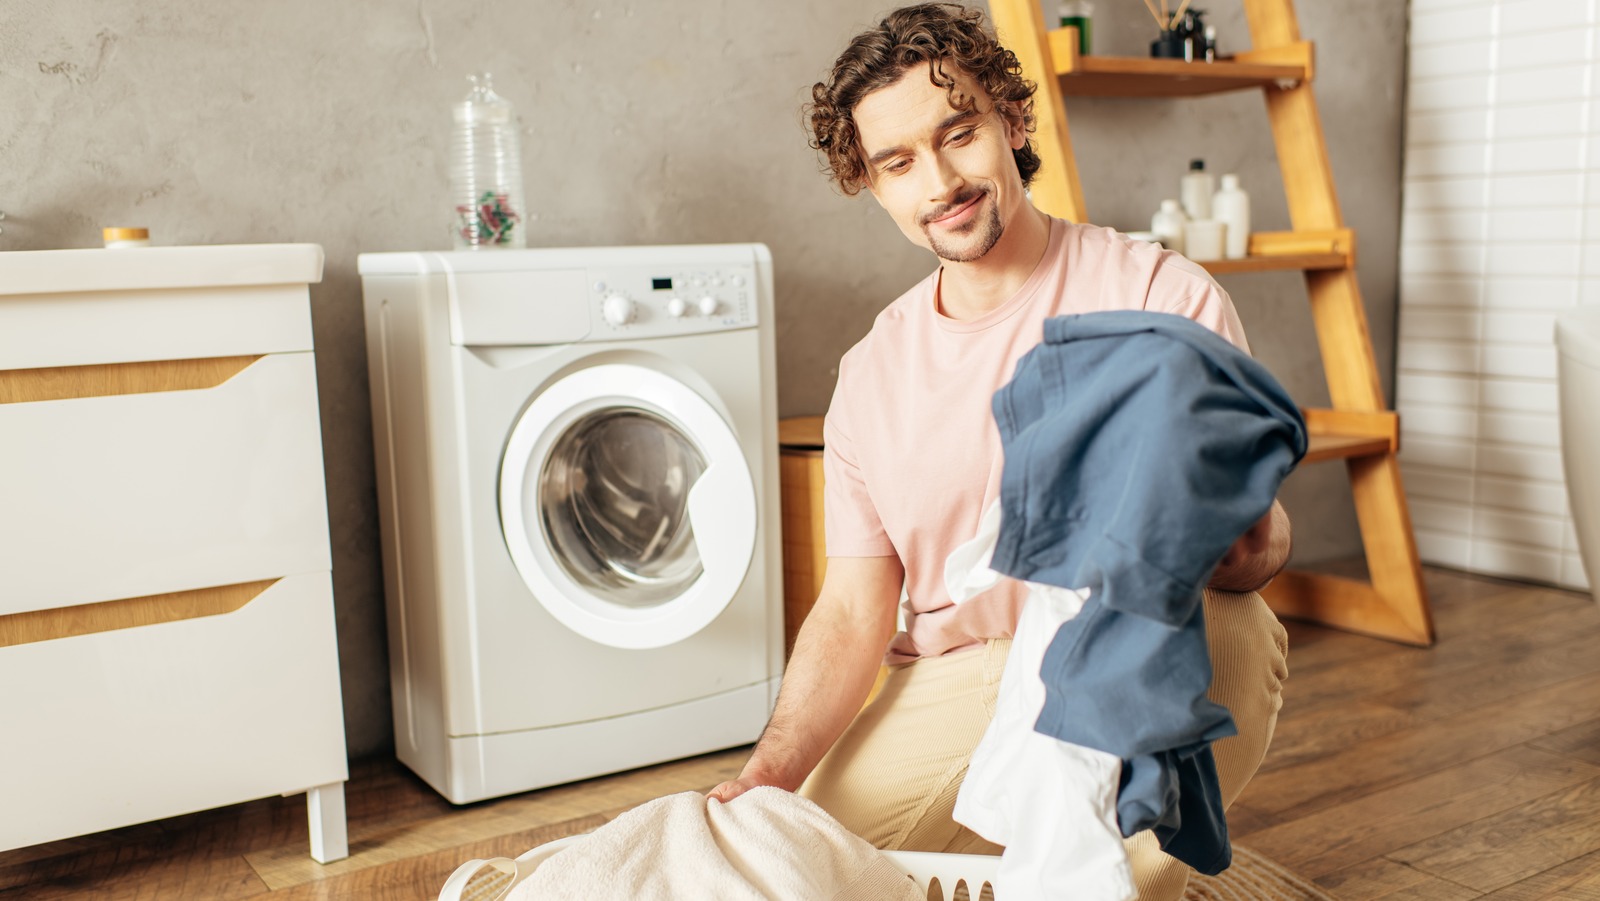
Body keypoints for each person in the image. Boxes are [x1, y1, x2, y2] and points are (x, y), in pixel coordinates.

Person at [709, 4, 1291, 898]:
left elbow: (1255, 550)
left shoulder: (1156, 295)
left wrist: (1230, 527)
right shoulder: (872, 372)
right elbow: (852, 606)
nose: (939, 179)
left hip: (1126, 645)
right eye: (898, 163)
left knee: (1232, 629)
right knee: (786, 860)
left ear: (1012, 122)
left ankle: (1098, 870)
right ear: (873, 185)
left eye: (958, 133)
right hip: (955, 684)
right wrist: (765, 776)